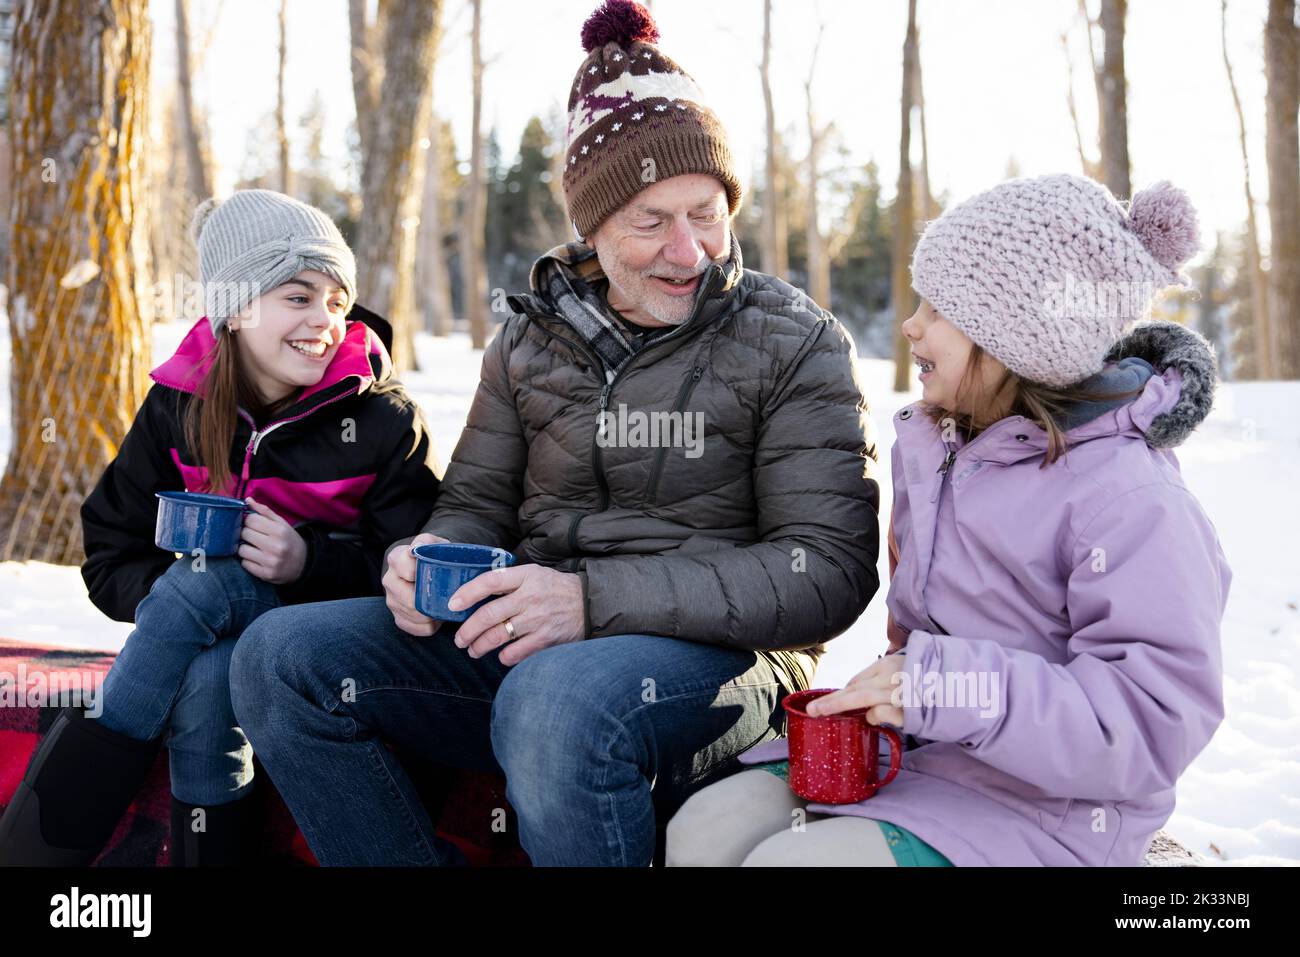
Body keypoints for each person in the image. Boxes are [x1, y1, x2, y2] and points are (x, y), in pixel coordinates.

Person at [227, 0, 880, 866]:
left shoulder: (792, 340)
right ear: (593, 229)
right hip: (537, 641)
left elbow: (827, 573)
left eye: (707, 213)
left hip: (725, 665)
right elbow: (474, 506)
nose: (689, 252)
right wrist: (428, 559)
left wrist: (590, 601)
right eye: (651, 222)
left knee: (558, 700)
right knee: (278, 656)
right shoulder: (531, 339)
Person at [667, 174, 1232, 866]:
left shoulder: (1131, 500)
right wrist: (888, 691)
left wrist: (943, 686)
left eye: (939, 308)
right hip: (924, 762)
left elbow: (1148, 727)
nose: (911, 325)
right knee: (705, 827)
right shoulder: (944, 449)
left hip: (1051, 809)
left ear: (1020, 340)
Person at [0, 189, 442, 866]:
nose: (323, 319)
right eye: (298, 296)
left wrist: (308, 559)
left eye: (335, 298)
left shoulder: (379, 418)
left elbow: (410, 576)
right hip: (210, 645)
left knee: (206, 586)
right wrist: (177, 617)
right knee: (206, 667)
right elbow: (109, 551)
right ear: (235, 307)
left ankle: (33, 852)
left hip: (324, 647)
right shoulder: (178, 405)